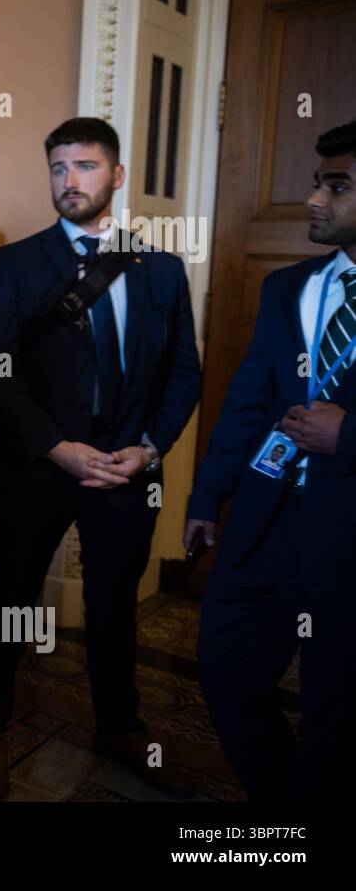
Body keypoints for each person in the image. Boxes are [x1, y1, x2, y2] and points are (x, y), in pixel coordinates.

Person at [0, 117, 202, 800]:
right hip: (37, 465)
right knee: (10, 597)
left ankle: (118, 725)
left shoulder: (160, 269)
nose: (70, 181)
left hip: (126, 470)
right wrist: (57, 448)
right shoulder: (14, 262)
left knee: (113, 605)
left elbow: (185, 372)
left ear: (117, 176)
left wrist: (148, 448)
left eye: (86, 167)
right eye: (59, 168)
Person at [186, 119, 356, 800]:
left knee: (335, 715)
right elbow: (249, 406)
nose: (315, 200)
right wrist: (207, 496)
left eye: (337, 187)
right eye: (319, 184)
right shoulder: (288, 287)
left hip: (346, 545)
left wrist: (350, 439)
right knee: (226, 675)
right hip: (264, 525)